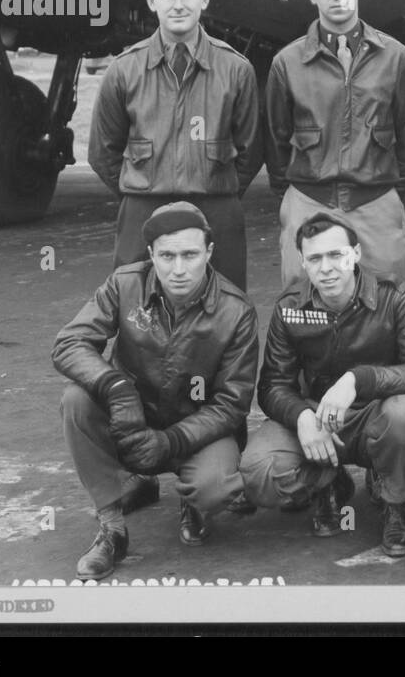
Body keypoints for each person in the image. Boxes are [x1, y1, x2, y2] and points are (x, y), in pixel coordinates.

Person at [52, 202, 258, 579]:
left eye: (190, 255)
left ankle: (192, 500)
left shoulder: (236, 310)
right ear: (150, 254)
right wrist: (115, 387)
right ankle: (112, 528)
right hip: (132, 420)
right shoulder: (124, 283)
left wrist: (171, 442)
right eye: (166, 255)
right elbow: (70, 343)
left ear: (209, 253)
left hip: (199, 429)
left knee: (213, 489)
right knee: (76, 400)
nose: (178, 269)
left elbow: (232, 404)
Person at [240, 213, 405, 558]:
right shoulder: (290, 307)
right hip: (316, 420)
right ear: (302, 262)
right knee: (259, 472)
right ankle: (328, 480)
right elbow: (273, 385)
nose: (327, 267)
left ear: (356, 254)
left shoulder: (395, 297)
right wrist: (302, 416)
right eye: (315, 258)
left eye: (337, 255)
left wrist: (359, 379)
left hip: (376, 416)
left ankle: (393, 503)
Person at [89, 0, 262, 291]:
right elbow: (102, 152)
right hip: (144, 211)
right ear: (152, 0)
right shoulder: (124, 71)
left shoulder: (236, 70)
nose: (179, 4)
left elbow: (251, 150)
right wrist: (142, 189)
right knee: (136, 310)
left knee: (224, 314)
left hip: (216, 211)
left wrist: (215, 191)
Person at [265, 0, 405, 285]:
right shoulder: (287, 63)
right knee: (304, 305)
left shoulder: (395, 58)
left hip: (375, 201)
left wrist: (385, 191)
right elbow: (275, 143)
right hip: (309, 199)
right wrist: (297, 195)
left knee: (386, 300)